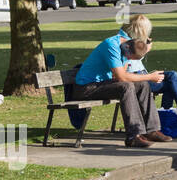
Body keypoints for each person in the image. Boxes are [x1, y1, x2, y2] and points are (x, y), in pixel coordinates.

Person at [71, 16, 169, 148]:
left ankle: (151, 130)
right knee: (126, 86)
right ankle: (133, 136)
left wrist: (146, 77)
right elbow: (122, 77)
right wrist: (150, 76)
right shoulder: (112, 45)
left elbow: (120, 75)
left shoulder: (126, 46)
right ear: (127, 48)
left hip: (101, 83)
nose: (128, 60)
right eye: (129, 58)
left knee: (142, 85)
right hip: (85, 88)